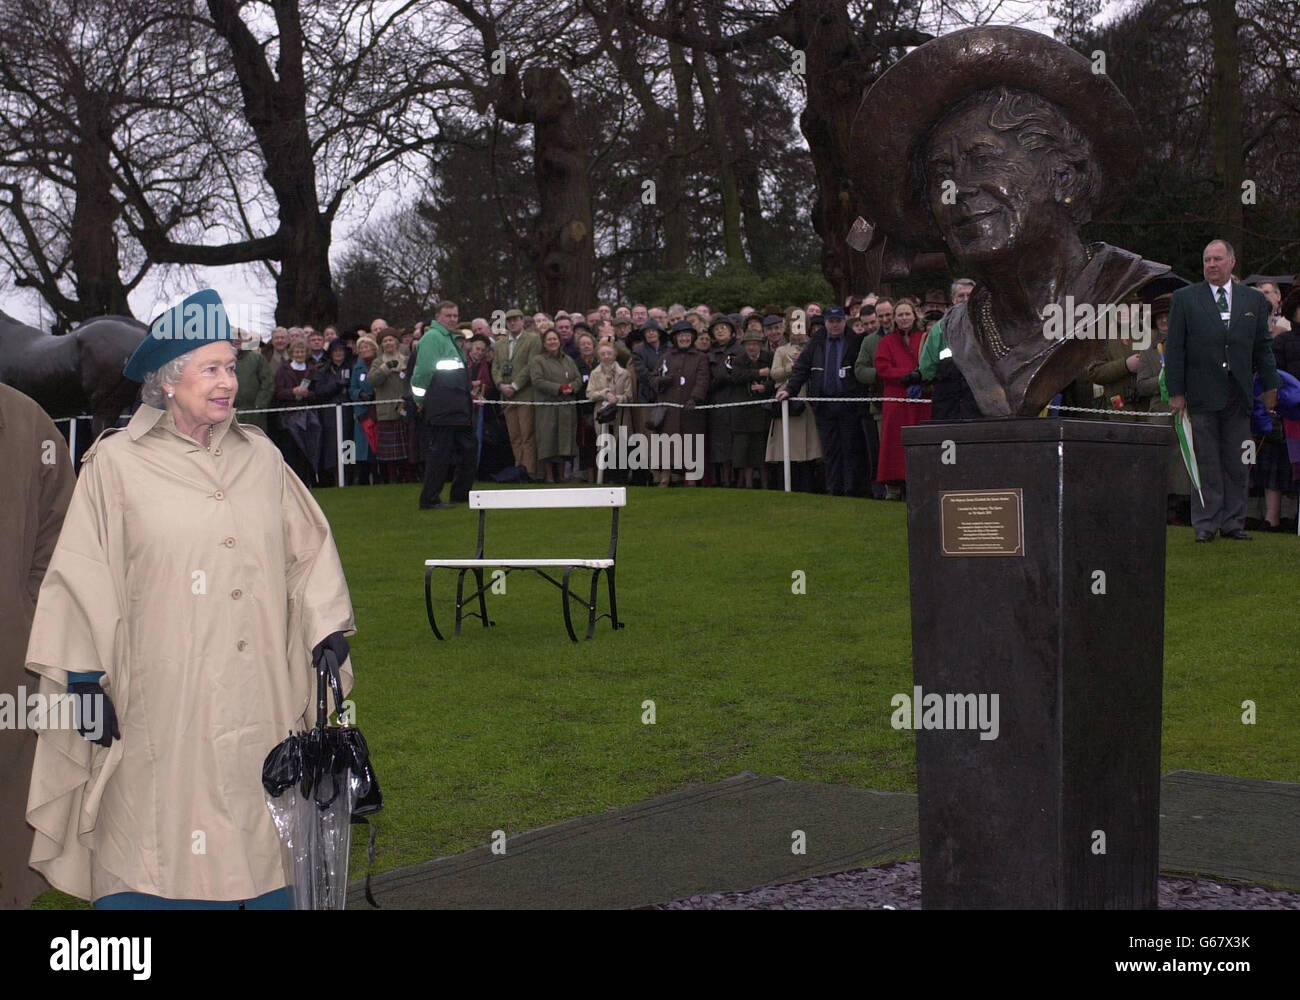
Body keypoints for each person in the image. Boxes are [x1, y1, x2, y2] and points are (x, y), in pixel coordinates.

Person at [25, 288, 355, 909]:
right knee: (160, 847)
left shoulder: (262, 457)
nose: (229, 382)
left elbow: (306, 556)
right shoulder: (115, 467)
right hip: (164, 707)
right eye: (211, 369)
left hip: (262, 699)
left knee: (265, 845)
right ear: (168, 382)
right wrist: (85, 680)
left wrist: (324, 631)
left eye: (231, 366)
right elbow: (79, 574)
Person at [854, 26, 1169, 418]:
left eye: (982, 159)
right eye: (941, 173)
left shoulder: (1127, 289)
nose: (958, 190)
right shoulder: (960, 328)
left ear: (1062, 176)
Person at [0, 385, 74, 910]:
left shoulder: (28, 421)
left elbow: (58, 549)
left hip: (10, 671)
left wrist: (22, 620)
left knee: (11, 820)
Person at [1166, 239, 1281, 541]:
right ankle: (1205, 523)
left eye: (1217, 259)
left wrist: (1271, 386)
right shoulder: (1185, 298)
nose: (1212, 265)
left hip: (1239, 394)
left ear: (1231, 262)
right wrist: (1176, 393)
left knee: (1237, 460)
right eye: (1207, 260)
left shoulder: (1253, 301)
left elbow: (1263, 349)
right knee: (1206, 460)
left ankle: (1233, 522)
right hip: (1201, 394)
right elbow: (1175, 350)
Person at [776, 306, 866, 495]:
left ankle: (852, 489)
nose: (834, 325)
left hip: (848, 405)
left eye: (838, 321)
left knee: (850, 448)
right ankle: (834, 489)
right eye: (831, 321)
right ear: (825, 322)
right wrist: (789, 390)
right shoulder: (816, 342)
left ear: (844, 321)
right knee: (830, 450)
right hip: (824, 405)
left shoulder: (855, 341)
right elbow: (802, 369)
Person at [411, 300, 476, 509]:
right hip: (442, 405)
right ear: (438, 316)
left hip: (457, 404)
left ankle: (459, 494)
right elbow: (422, 373)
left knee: (469, 449)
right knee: (441, 453)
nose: (453, 319)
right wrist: (419, 400)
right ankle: (430, 499)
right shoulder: (432, 338)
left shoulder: (448, 338)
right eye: (448, 315)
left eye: (455, 315)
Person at [874, 299, 933, 499]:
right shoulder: (886, 342)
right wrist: (908, 374)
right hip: (896, 400)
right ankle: (893, 486)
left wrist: (920, 377)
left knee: (921, 441)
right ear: (894, 318)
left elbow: (931, 363)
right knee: (894, 444)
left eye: (907, 314)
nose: (904, 318)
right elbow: (883, 368)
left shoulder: (924, 338)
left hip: (920, 400)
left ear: (914, 316)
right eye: (900, 314)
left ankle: (920, 484)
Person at [767, 319, 823, 491]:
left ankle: (808, 486)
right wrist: (793, 366)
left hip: (805, 402)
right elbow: (774, 373)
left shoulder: (813, 348)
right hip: (787, 404)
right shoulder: (781, 350)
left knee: (806, 450)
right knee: (786, 449)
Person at [492, 308, 541, 480]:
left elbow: (531, 365)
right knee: (514, 436)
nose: (512, 323)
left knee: (527, 435)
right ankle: (518, 469)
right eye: (509, 320)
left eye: (516, 319)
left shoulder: (533, 340)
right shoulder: (500, 344)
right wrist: (500, 385)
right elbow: (495, 367)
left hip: (525, 394)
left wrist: (514, 385)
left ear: (522, 321)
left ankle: (530, 471)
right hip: (506, 396)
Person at [529, 329, 581, 483]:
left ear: (559, 341)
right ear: (544, 344)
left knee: (563, 441)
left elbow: (578, 378)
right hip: (547, 407)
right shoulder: (538, 360)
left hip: (566, 407)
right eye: (549, 340)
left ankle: (562, 475)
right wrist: (559, 388)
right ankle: (549, 476)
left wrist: (573, 387)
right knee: (548, 440)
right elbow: (537, 381)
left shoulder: (568, 360)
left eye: (555, 339)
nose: (552, 342)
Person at [731, 327, 773, 488]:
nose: (752, 347)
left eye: (755, 344)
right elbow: (736, 377)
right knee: (744, 454)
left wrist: (765, 387)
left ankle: (765, 485)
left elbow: (775, 378)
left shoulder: (769, 357)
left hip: (762, 411)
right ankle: (748, 485)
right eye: (749, 344)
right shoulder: (739, 360)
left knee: (762, 452)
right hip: (743, 413)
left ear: (761, 345)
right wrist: (758, 373)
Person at [706, 314, 745, 486]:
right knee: (719, 443)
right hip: (716, 402)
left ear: (731, 331)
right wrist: (722, 377)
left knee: (738, 442)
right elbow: (708, 379)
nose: (720, 331)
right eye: (716, 329)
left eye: (724, 327)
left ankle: (740, 480)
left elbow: (740, 375)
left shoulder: (740, 351)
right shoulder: (710, 354)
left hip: (737, 400)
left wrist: (723, 376)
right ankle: (723, 479)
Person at [368, 330, 410, 484]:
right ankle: (392, 480)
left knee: (407, 449)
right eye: (385, 341)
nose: (388, 343)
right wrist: (385, 368)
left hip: (404, 408)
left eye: (391, 340)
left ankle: (408, 477)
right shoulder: (378, 362)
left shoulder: (406, 360)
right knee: (389, 454)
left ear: (397, 342)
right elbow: (372, 381)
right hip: (386, 410)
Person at [348, 335, 379, 485]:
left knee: (378, 444)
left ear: (373, 348)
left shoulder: (379, 363)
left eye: (367, 346)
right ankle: (363, 479)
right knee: (363, 446)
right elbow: (352, 389)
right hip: (362, 412)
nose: (364, 350)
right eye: (361, 347)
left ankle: (380, 477)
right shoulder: (357, 368)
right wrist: (360, 394)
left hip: (378, 409)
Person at [233, 329, 274, 432]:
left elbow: (268, 383)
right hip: (229, 412)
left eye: (240, 336)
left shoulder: (257, 358)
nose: (237, 339)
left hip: (253, 412)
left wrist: (259, 405)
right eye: (234, 336)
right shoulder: (223, 359)